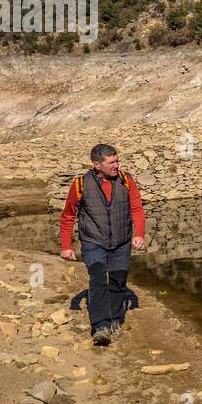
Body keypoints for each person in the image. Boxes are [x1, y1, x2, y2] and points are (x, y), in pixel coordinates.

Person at [58, 144, 146, 344]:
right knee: (98, 279)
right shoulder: (80, 184)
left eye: (117, 161)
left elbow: (137, 209)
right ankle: (100, 326)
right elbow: (68, 215)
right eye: (112, 162)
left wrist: (139, 234)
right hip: (93, 241)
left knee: (117, 280)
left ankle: (115, 318)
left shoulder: (126, 180)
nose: (117, 165)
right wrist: (66, 245)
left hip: (121, 240)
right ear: (97, 165)